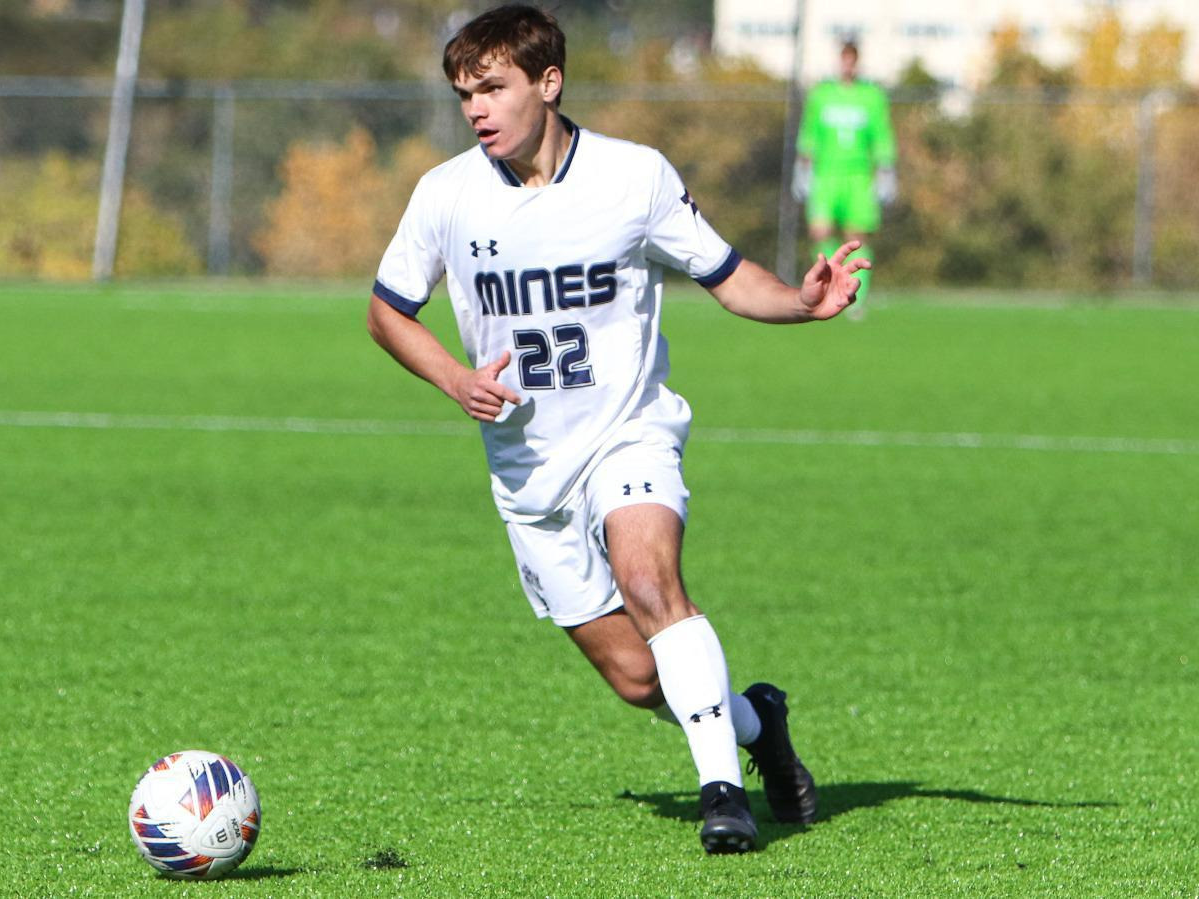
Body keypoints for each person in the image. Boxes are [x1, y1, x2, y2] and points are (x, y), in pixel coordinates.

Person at [366, 5, 866, 854]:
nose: (477, 109)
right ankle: (759, 725)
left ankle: (722, 796)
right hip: (529, 471)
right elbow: (386, 313)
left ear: (548, 82)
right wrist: (454, 377)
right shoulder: (445, 194)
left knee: (649, 577)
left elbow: (728, 275)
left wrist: (801, 303)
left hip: (627, 431)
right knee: (639, 677)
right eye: (464, 95)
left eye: (493, 88)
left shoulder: (633, 177)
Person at [793, 40, 896, 302]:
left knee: (856, 237)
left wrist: (886, 170)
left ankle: (856, 298)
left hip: (858, 175)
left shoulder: (871, 97)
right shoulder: (821, 95)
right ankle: (827, 287)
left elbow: (882, 136)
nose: (847, 65)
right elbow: (809, 133)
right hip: (826, 175)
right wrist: (802, 167)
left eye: (852, 59)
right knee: (820, 231)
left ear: (857, 62)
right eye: (844, 59)